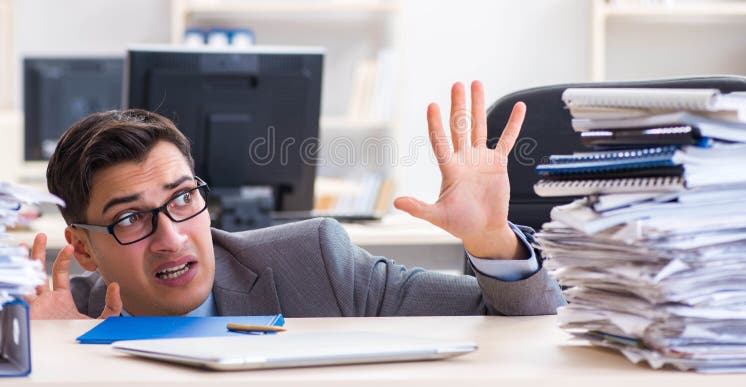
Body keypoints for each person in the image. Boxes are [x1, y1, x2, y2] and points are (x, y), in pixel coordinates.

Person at [27, 81, 565, 319]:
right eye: (129, 219)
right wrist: (57, 361)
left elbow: (531, 321)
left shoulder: (314, 265)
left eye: (183, 198)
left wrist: (492, 241)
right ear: (84, 248)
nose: (170, 237)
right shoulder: (60, 322)